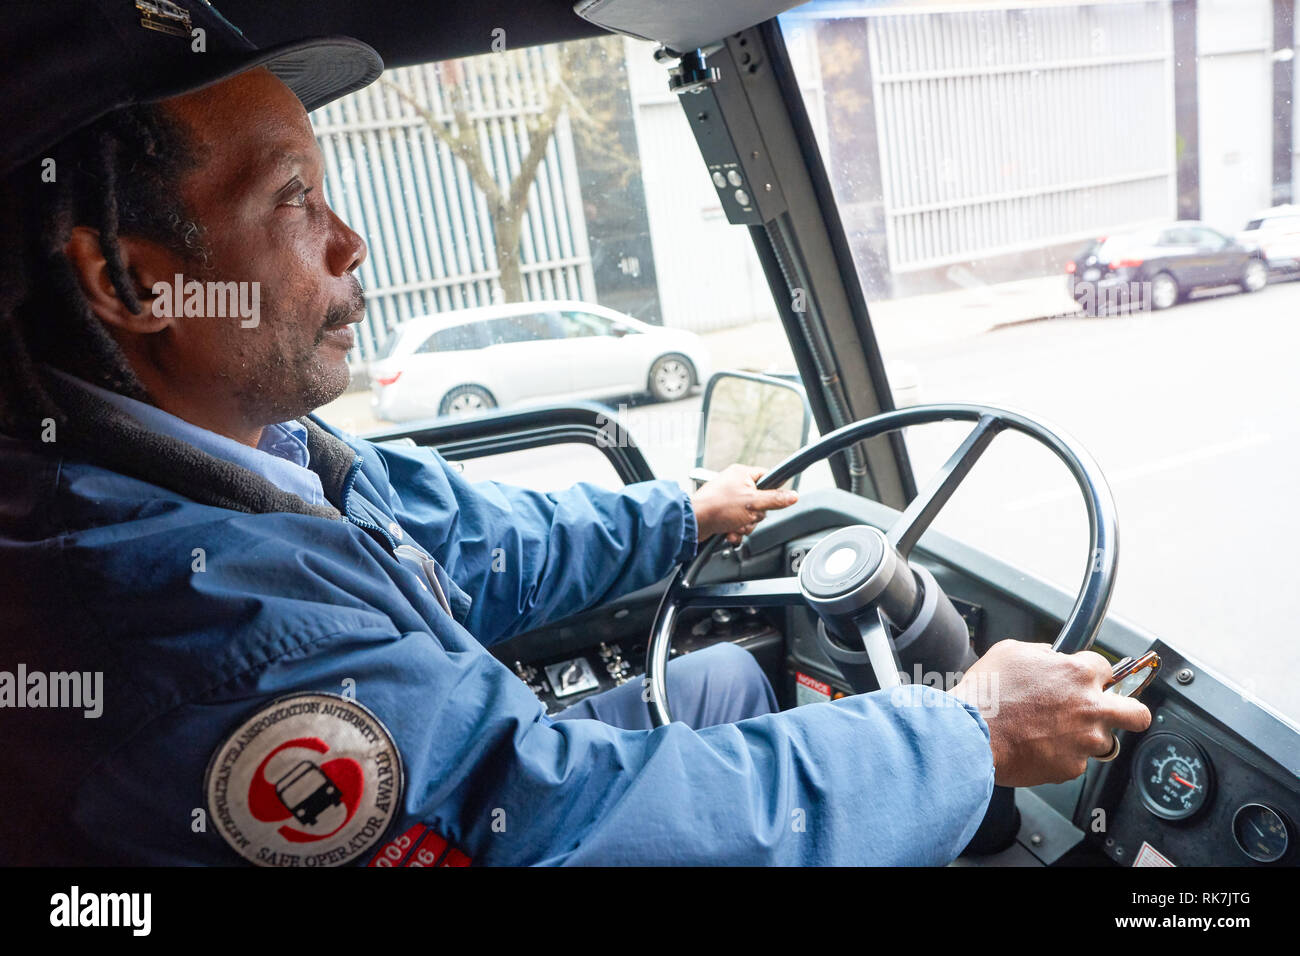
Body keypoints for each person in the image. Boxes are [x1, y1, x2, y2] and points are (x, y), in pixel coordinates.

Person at [0, 1, 1149, 867]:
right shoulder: (197, 635)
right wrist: (966, 735)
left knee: (713, 686)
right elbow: (544, 825)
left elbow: (464, 537)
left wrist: (681, 512)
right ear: (129, 280)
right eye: (295, 198)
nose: (351, 243)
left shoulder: (241, 465)